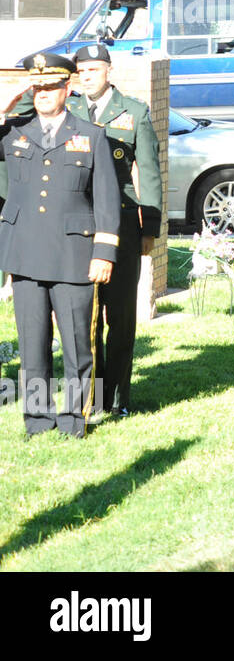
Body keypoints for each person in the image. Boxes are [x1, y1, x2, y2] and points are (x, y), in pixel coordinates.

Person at [0, 53, 119, 437]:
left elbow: (105, 199)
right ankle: (37, 419)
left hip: (74, 256)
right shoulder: (14, 133)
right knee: (32, 346)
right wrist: (8, 100)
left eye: (51, 87)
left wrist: (104, 253)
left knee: (77, 345)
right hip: (26, 254)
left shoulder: (92, 135)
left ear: (67, 89)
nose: (43, 94)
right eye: (38, 87)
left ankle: (74, 419)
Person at [68, 44, 163, 417]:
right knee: (84, 313)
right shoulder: (69, 110)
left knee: (120, 316)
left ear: (109, 70)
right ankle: (94, 394)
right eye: (81, 71)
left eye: (93, 69)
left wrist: (149, 229)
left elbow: (151, 174)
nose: (87, 76)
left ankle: (119, 398)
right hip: (80, 223)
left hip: (122, 221)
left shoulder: (134, 112)